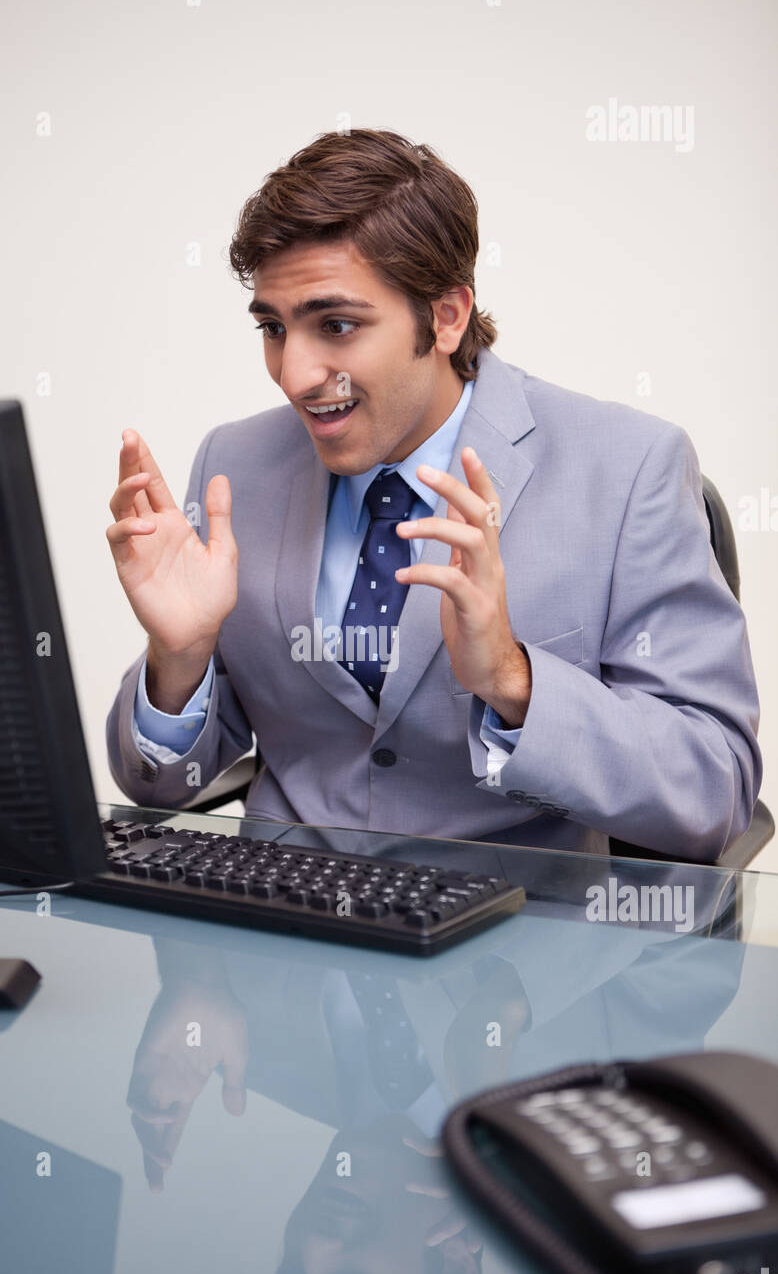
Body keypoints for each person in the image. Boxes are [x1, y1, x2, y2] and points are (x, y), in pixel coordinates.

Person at [106, 128, 760, 861]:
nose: (294, 375)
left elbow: (714, 791)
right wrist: (179, 658)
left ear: (446, 316)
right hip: (279, 928)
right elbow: (157, 786)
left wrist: (513, 680)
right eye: (273, 328)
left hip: (517, 948)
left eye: (337, 325)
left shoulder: (627, 468)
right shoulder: (236, 467)